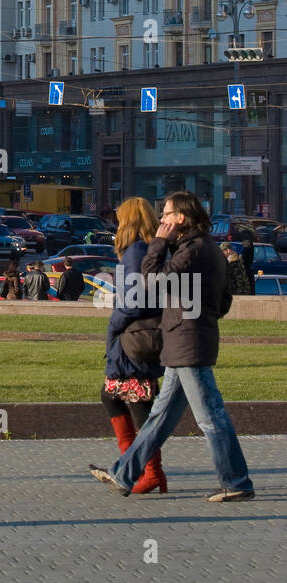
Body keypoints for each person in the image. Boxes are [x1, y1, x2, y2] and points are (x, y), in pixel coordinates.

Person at [90, 190, 255, 503]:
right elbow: (223, 302)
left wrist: (159, 244)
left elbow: (150, 279)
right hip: (185, 342)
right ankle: (125, 474)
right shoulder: (204, 249)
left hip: (187, 344)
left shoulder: (191, 250)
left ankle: (237, 481)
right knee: (159, 419)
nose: (161, 220)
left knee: (210, 417)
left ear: (181, 217)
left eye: (165, 214)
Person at [101, 196, 167, 494]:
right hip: (147, 334)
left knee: (137, 401)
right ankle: (139, 468)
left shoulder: (134, 253)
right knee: (115, 396)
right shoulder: (152, 249)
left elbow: (131, 302)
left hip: (133, 336)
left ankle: (148, 471)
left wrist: (114, 325)